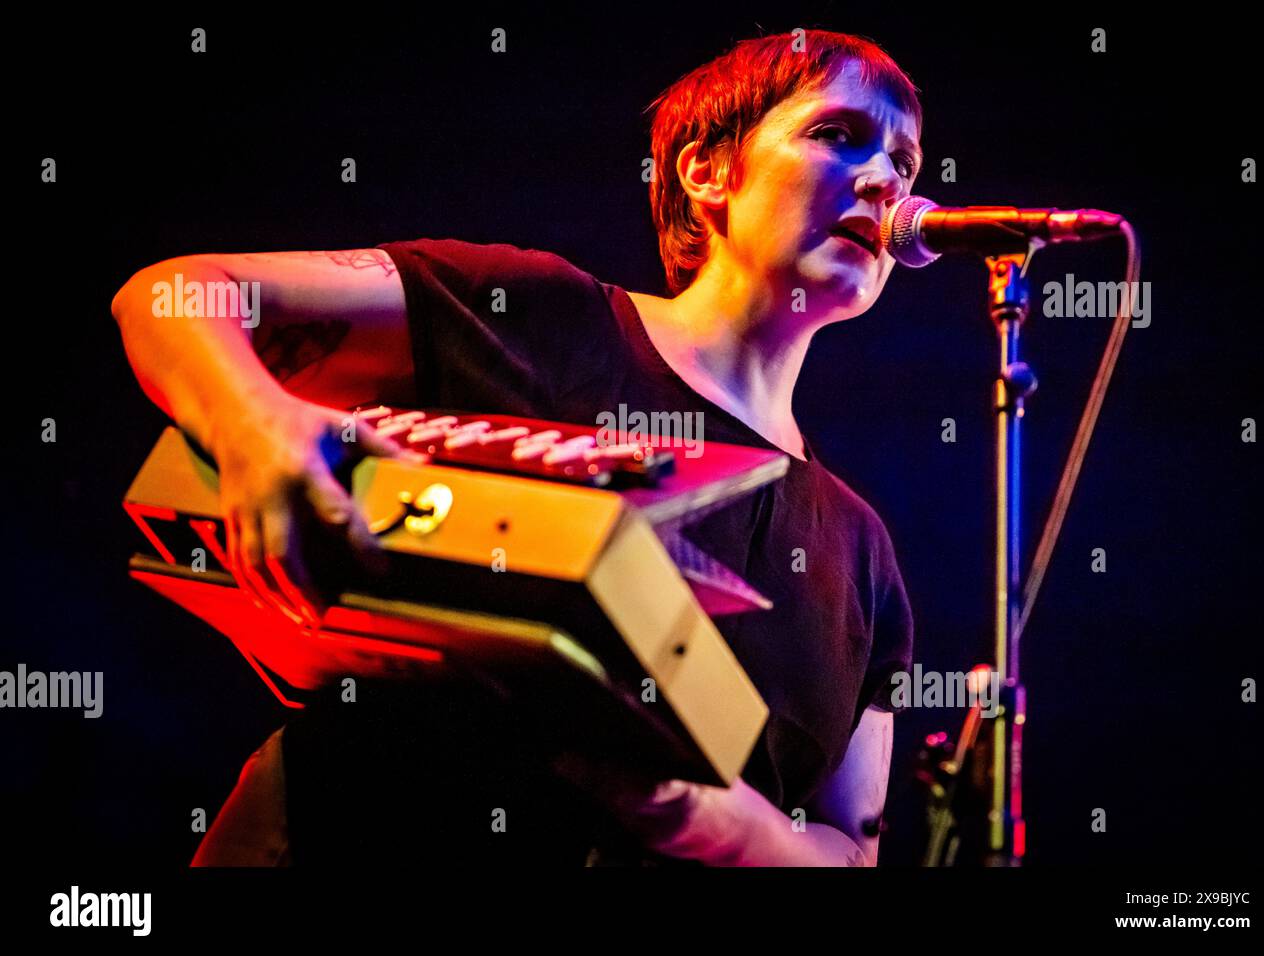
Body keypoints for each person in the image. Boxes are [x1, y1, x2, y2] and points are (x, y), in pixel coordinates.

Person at [112, 29, 919, 866]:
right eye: (838, 134)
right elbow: (171, 293)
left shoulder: (864, 553)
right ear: (707, 171)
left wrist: (717, 820)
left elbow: (850, 850)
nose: (886, 180)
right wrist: (256, 427)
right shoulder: (542, 315)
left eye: (906, 162)